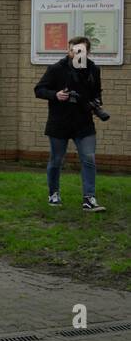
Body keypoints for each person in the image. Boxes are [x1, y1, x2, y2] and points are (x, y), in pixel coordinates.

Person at [34, 35, 105, 211]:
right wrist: (55, 95)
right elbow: (39, 89)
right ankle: (54, 194)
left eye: (81, 50)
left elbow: (97, 93)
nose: (76, 53)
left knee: (89, 159)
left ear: (88, 51)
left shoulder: (93, 70)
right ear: (68, 50)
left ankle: (89, 198)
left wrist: (96, 103)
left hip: (84, 123)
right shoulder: (56, 69)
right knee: (56, 160)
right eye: (73, 50)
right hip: (59, 122)